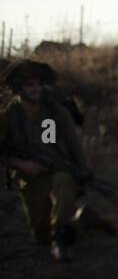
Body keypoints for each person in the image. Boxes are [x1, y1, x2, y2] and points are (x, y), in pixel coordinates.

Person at [0, 59, 91, 262]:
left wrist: (83, 172)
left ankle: (61, 241)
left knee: (65, 181)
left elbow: (73, 144)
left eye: (38, 84)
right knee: (41, 236)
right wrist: (23, 164)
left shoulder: (54, 111)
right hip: (28, 175)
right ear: (19, 89)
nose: (36, 89)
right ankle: (82, 220)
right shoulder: (9, 116)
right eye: (30, 85)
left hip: (56, 169)